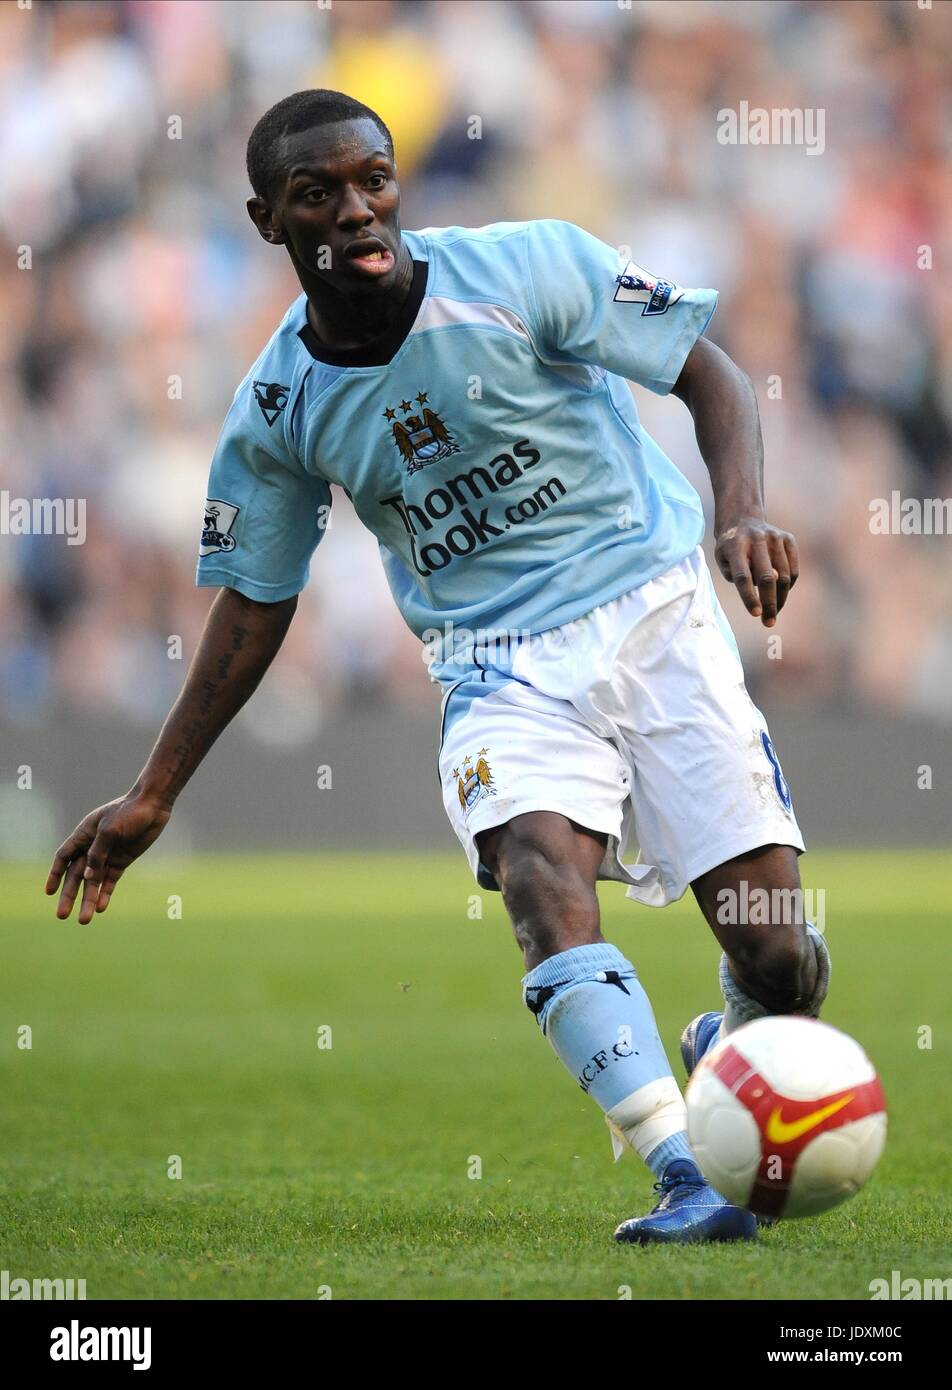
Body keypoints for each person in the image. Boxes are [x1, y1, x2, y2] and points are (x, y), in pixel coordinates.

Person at [46, 90, 829, 1244]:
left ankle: (735, 1041)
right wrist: (157, 788)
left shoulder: (525, 269)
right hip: (495, 662)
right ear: (270, 222)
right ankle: (681, 1172)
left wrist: (742, 512)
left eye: (374, 179)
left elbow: (702, 369)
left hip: (654, 608)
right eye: (319, 195)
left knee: (777, 951)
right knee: (535, 875)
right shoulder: (275, 410)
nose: (357, 210)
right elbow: (254, 604)